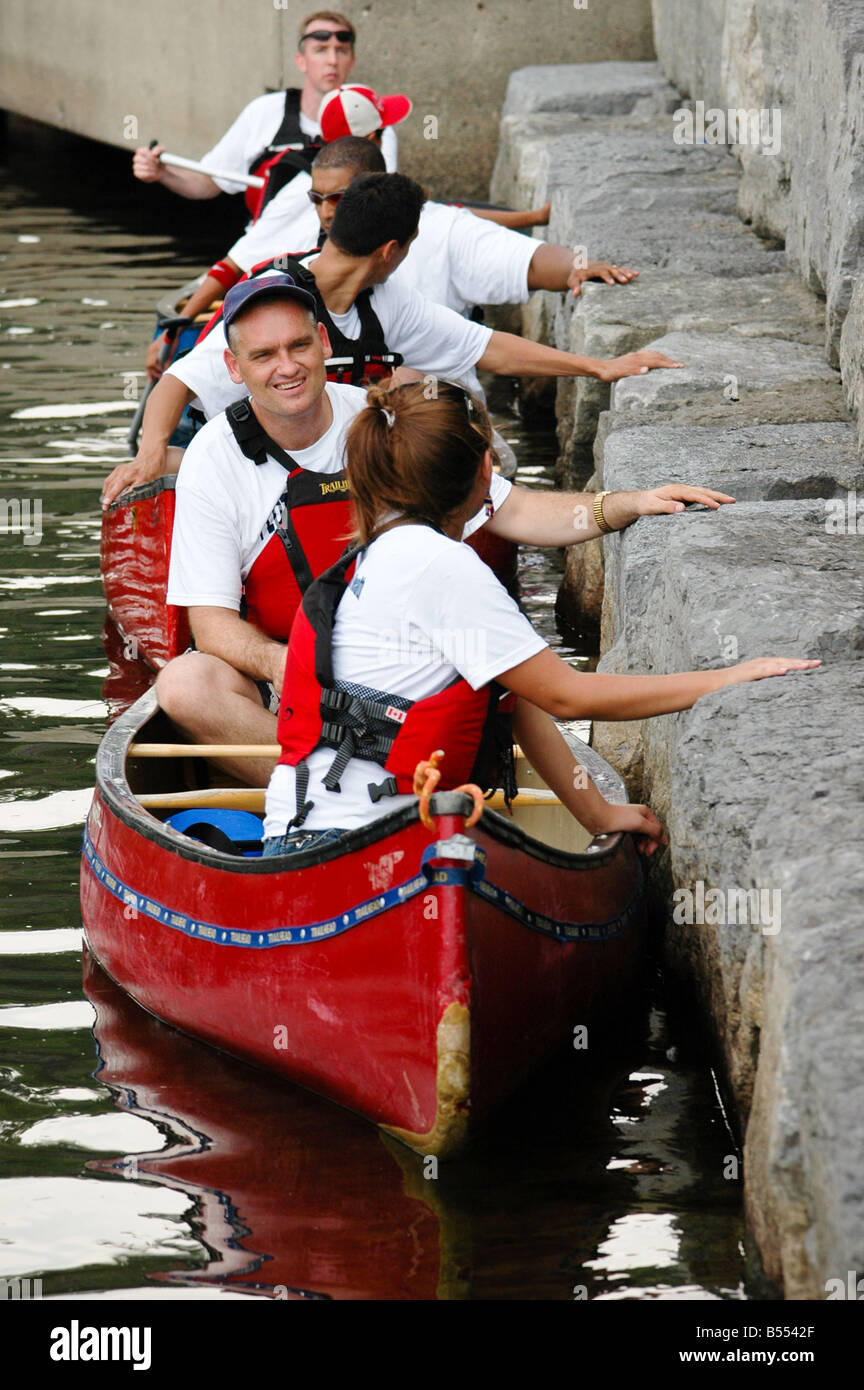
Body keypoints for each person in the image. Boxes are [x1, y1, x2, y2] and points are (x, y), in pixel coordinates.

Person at [150, 276, 737, 809]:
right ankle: (323, 779)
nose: (287, 367)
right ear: (233, 367)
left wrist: (619, 506)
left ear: (325, 344)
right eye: (263, 355)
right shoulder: (213, 458)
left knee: (494, 664)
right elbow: (210, 625)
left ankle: (336, 790)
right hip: (289, 682)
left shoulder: (377, 424)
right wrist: (292, 666)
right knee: (183, 683)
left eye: (298, 346)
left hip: (392, 672)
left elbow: (520, 510)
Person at [262, 380, 821, 856]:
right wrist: (722, 679)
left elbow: (521, 700)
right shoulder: (443, 564)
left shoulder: (373, 551)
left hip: (292, 835)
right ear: (486, 469)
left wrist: (600, 814)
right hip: (378, 842)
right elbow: (567, 697)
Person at [102, 172, 680, 507]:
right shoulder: (274, 304)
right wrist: (151, 450)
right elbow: (177, 379)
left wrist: (597, 367)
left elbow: (485, 347)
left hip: (344, 481)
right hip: (262, 477)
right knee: (180, 461)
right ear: (392, 251)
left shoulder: (388, 300)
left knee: (427, 399)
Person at [131, 11, 397, 208]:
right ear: (301, 61)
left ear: (351, 61)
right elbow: (209, 183)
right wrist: (162, 173)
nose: (331, 60)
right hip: (268, 251)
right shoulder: (263, 111)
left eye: (341, 51)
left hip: (336, 250)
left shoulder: (373, 124)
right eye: (321, 50)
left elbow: (379, 205)